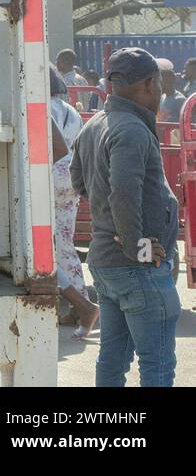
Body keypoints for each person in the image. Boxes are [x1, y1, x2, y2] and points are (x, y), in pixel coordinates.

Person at [71, 47, 181, 387]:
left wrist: (112, 224)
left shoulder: (95, 125)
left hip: (106, 263)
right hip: (137, 268)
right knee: (157, 363)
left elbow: (79, 181)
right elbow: (123, 191)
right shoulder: (131, 129)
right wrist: (137, 246)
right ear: (149, 84)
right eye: (160, 85)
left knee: (112, 359)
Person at [48, 69, 98, 338]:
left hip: (50, 175)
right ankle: (78, 307)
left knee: (41, 246)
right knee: (65, 244)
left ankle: (82, 305)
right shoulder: (72, 110)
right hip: (73, 177)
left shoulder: (39, 106)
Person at [155, 59, 187, 125]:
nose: (158, 84)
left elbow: (186, 123)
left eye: (160, 81)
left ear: (169, 80)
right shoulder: (162, 97)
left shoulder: (180, 100)